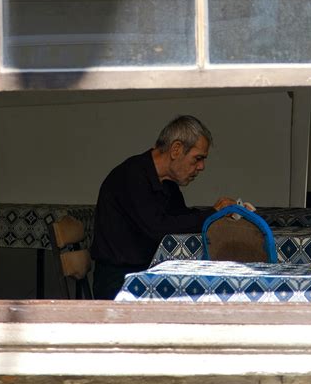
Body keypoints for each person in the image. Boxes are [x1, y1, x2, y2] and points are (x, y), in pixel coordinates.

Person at [91, 114, 236, 299]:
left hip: (148, 275)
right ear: (176, 149)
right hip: (119, 282)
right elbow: (158, 228)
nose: (201, 167)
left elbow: (182, 221)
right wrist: (212, 214)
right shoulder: (132, 175)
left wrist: (220, 217)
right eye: (198, 158)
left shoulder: (168, 184)